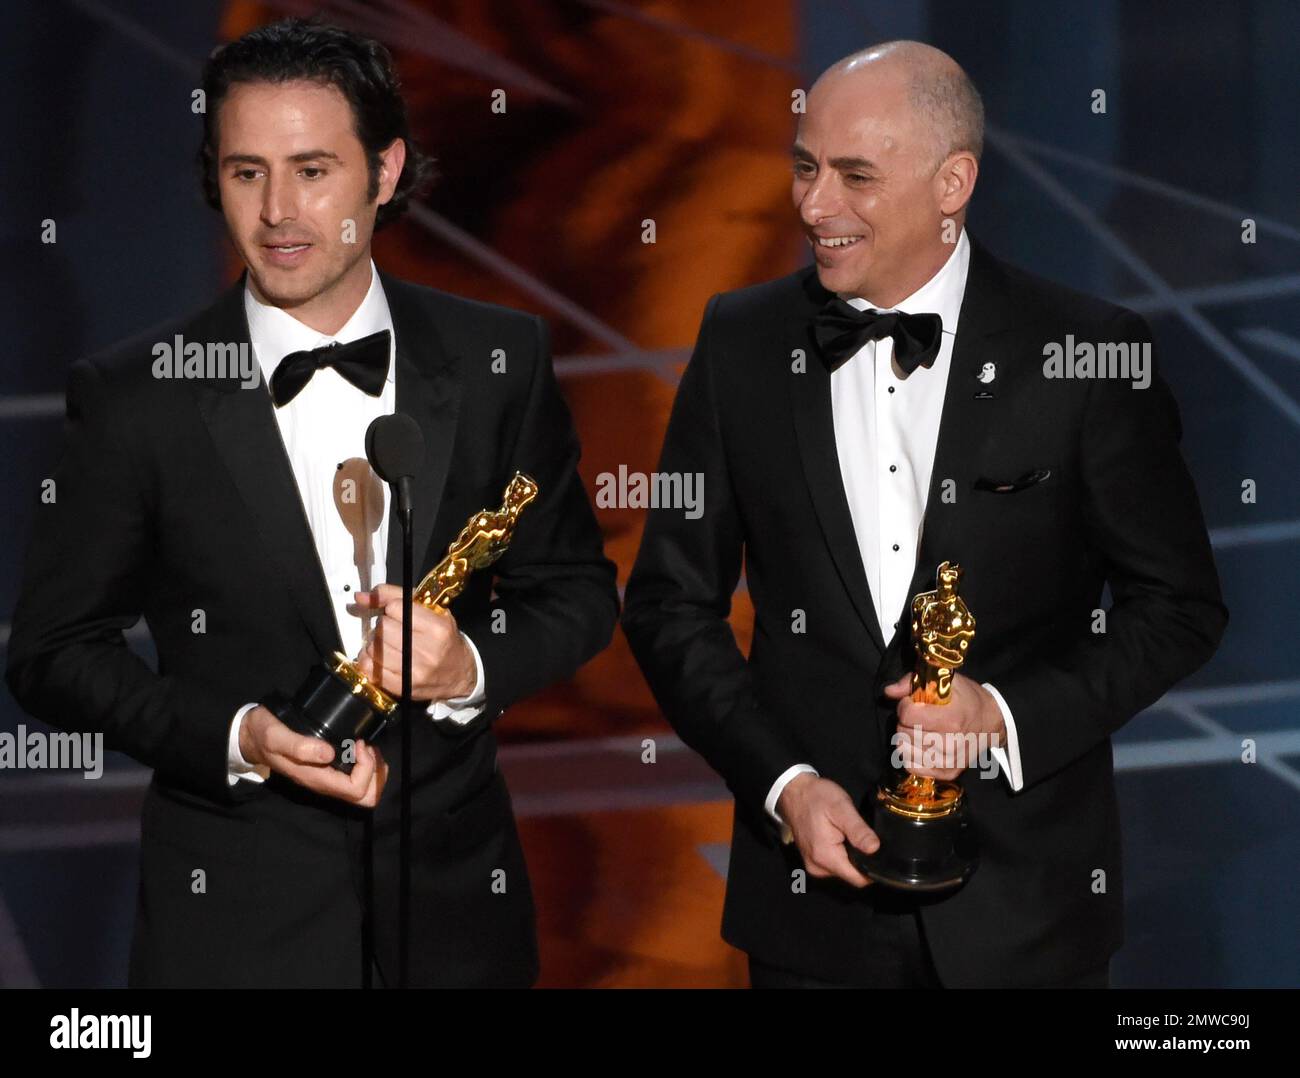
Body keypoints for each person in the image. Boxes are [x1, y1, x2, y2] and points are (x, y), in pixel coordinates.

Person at [5, 17, 617, 988]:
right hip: (235, 923)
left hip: (458, 918)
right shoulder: (137, 393)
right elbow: (52, 652)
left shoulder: (501, 360)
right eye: (247, 172)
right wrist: (237, 734)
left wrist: (466, 665)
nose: (280, 211)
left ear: (384, 172)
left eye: (313, 170)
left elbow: (577, 593)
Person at [621, 40, 1227, 989]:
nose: (815, 205)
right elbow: (669, 603)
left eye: (855, 176)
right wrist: (783, 785)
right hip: (812, 921)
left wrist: (1002, 717)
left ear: (954, 184)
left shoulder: (1088, 354)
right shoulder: (741, 342)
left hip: (1031, 922)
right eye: (807, 168)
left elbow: (1179, 607)